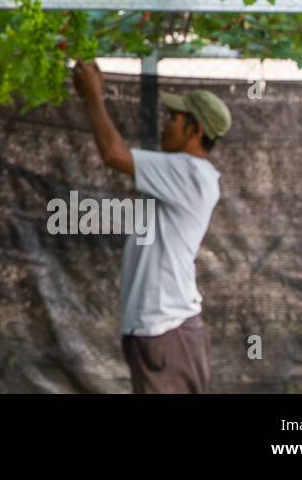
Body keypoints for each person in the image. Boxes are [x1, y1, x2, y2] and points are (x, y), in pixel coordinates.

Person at [70, 59, 231, 393]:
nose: (166, 125)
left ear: (195, 130)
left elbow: (114, 154)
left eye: (175, 119)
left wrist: (93, 98)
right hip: (158, 330)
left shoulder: (189, 172)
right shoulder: (183, 176)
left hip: (166, 331)